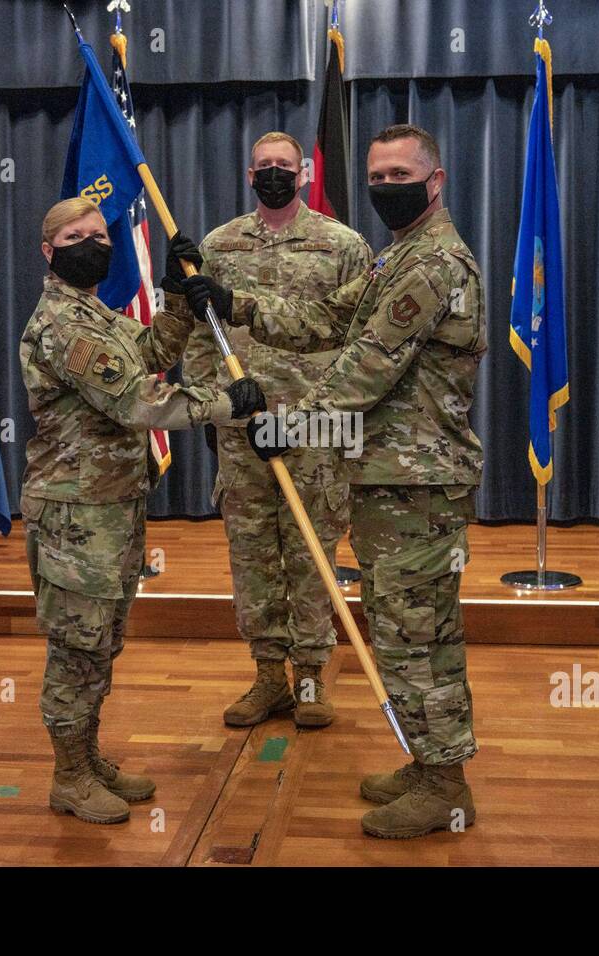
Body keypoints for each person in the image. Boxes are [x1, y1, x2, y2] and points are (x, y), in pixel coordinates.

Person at [179, 124, 486, 840]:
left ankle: (445, 782)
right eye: (375, 176)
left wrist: (293, 425)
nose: (385, 187)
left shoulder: (433, 263)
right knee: (405, 631)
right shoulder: (395, 257)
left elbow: (367, 365)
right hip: (386, 476)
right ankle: (428, 762)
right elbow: (326, 317)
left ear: (435, 181)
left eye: (400, 174)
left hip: (417, 481)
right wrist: (237, 304)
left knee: (420, 636)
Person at [19, 197, 266, 825]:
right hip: (75, 512)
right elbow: (137, 401)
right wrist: (224, 402)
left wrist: (182, 295)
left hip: (112, 504)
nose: (92, 244)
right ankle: (69, 775)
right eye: (76, 237)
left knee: (102, 639)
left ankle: (87, 754)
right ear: (49, 253)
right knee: (78, 645)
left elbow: (152, 350)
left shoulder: (97, 316)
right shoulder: (62, 327)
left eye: (99, 234)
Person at [167, 131, 371, 730]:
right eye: (265, 166)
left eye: (285, 165)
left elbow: (360, 345)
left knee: (311, 555)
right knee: (253, 557)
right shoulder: (218, 246)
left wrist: (324, 420)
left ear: (304, 172)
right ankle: (267, 676)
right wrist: (212, 410)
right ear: (248, 173)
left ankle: (311, 678)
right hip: (242, 433)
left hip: (312, 433)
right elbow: (203, 341)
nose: (275, 173)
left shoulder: (344, 245)